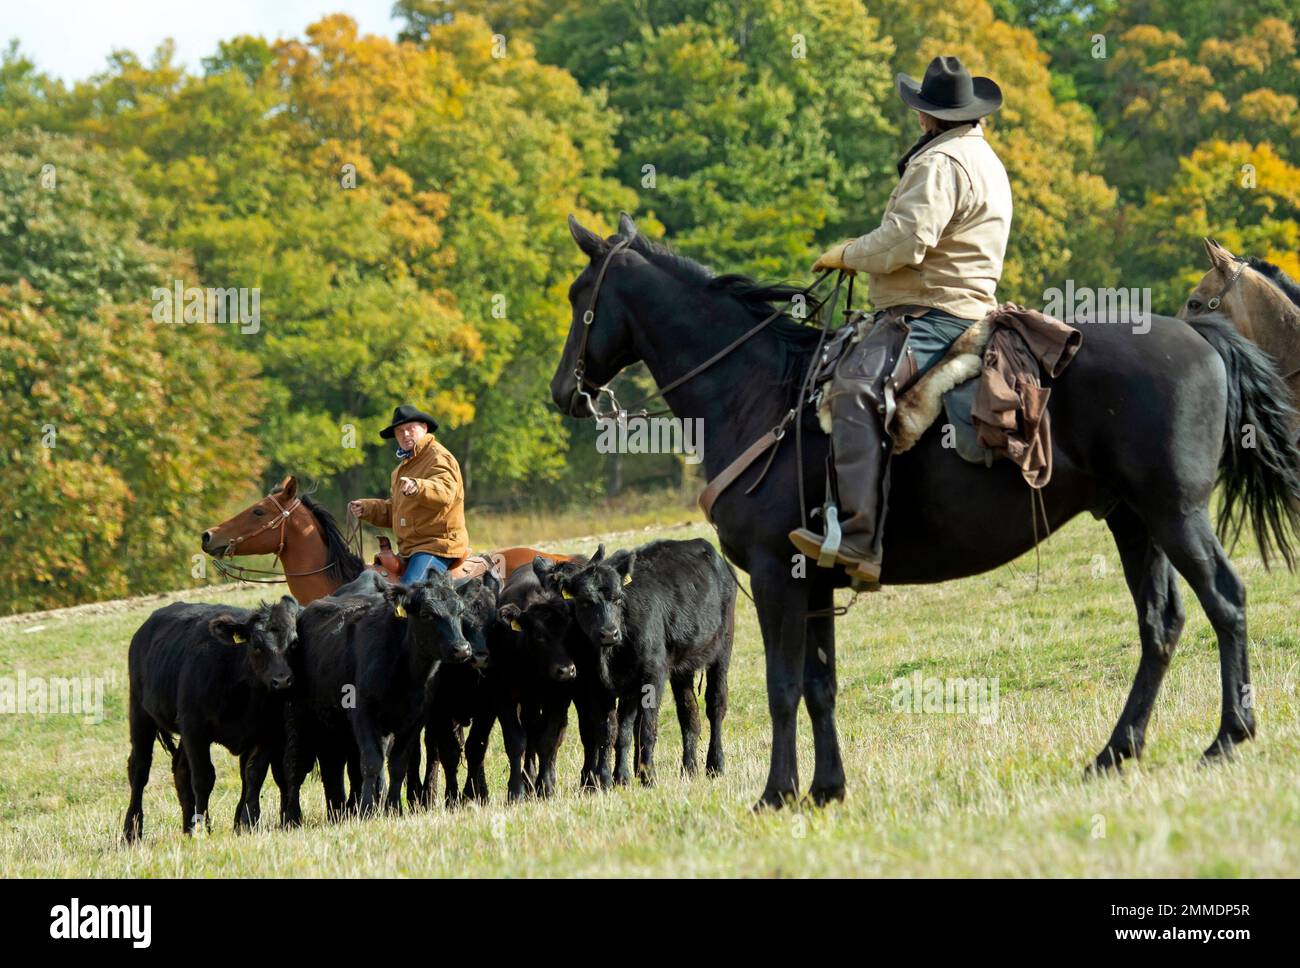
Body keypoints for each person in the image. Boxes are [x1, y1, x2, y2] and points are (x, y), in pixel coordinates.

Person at [788, 55, 1012, 586]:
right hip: (962, 302)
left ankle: (860, 539)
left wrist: (845, 253)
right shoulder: (982, 157)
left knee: (852, 389)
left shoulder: (939, 163)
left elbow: (907, 242)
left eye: (919, 109)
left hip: (933, 309)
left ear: (928, 115)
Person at [348, 404, 469, 583]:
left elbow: (445, 493)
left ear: (424, 428)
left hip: (437, 545)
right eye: (399, 431)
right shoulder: (400, 470)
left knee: (406, 594)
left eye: (410, 429)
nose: (405, 434)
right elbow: (397, 510)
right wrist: (368, 508)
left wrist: (418, 487)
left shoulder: (438, 456)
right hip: (410, 550)